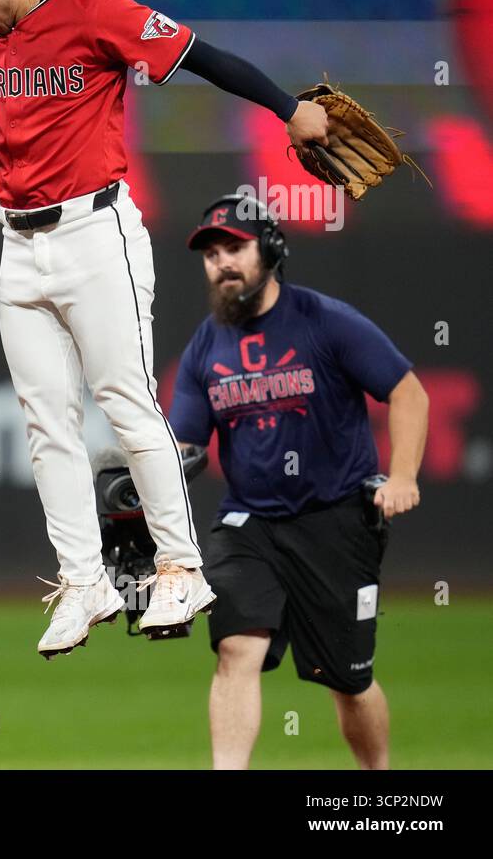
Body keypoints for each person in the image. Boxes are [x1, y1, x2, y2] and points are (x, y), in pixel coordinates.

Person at [0, 0, 331, 657]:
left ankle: (181, 569)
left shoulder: (93, 10)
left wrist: (288, 109)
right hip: (19, 242)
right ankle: (84, 582)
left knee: (125, 403)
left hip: (95, 231)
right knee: (44, 420)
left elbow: (199, 55)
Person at [170, 192, 429, 769]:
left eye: (233, 248)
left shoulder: (325, 321)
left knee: (348, 679)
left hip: (334, 518)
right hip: (248, 523)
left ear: (271, 249)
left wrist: (405, 474)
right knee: (237, 646)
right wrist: (141, 495)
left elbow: (408, 392)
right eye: (210, 254)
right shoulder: (206, 344)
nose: (221, 263)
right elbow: (183, 446)